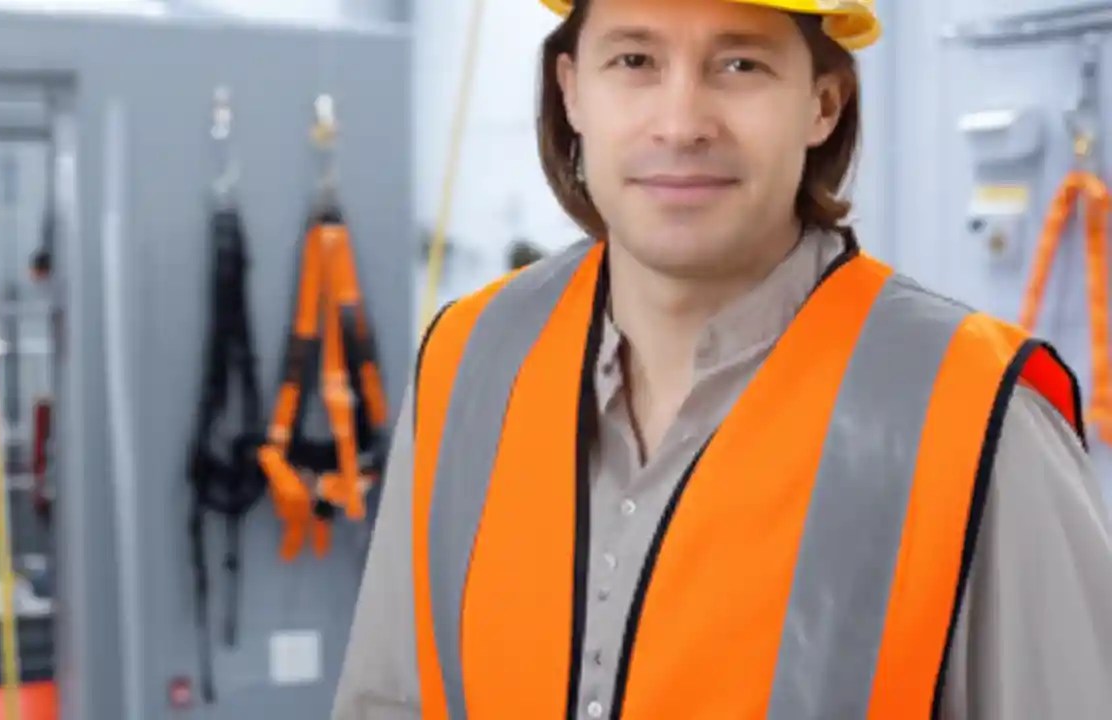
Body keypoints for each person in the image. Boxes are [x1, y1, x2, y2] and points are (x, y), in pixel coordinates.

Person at [333, 0, 1112, 717]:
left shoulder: (977, 417)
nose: (681, 124)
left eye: (740, 64)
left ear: (823, 104)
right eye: (634, 61)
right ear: (571, 91)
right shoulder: (468, 362)